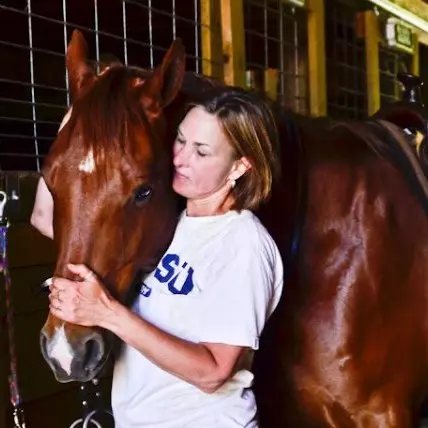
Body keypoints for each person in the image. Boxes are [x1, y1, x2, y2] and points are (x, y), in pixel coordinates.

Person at [31, 87, 284, 428]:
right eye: (180, 140)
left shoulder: (243, 244)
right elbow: (44, 218)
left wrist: (106, 313)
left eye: (202, 152)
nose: (180, 158)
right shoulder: (174, 227)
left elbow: (213, 373)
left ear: (239, 167)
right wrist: (80, 114)